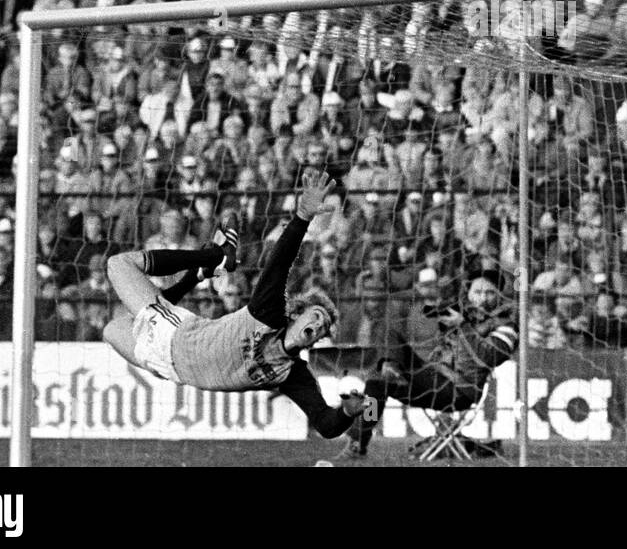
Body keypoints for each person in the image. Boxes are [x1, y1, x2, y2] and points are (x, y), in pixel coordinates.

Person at [103, 169, 371, 435]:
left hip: (168, 368)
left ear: (315, 340)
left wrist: (347, 412)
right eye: (315, 315)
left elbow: (325, 423)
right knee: (119, 264)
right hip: (173, 335)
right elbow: (279, 264)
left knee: (113, 329)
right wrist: (302, 217)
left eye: (323, 327)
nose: (319, 324)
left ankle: (198, 273)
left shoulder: (292, 374)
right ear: (296, 313)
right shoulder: (268, 315)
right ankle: (209, 257)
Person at [342, 268, 518, 458]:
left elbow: (488, 356)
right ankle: (389, 372)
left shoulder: (506, 326)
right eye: (477, 292)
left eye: (490, 292)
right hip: (436, 376)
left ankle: (358, 440)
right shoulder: (463, 314)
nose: (482, 298)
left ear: (500, 296)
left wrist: (462, 326)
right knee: (381, 359)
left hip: (459, 389)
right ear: (468, 293)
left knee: (378, 381)